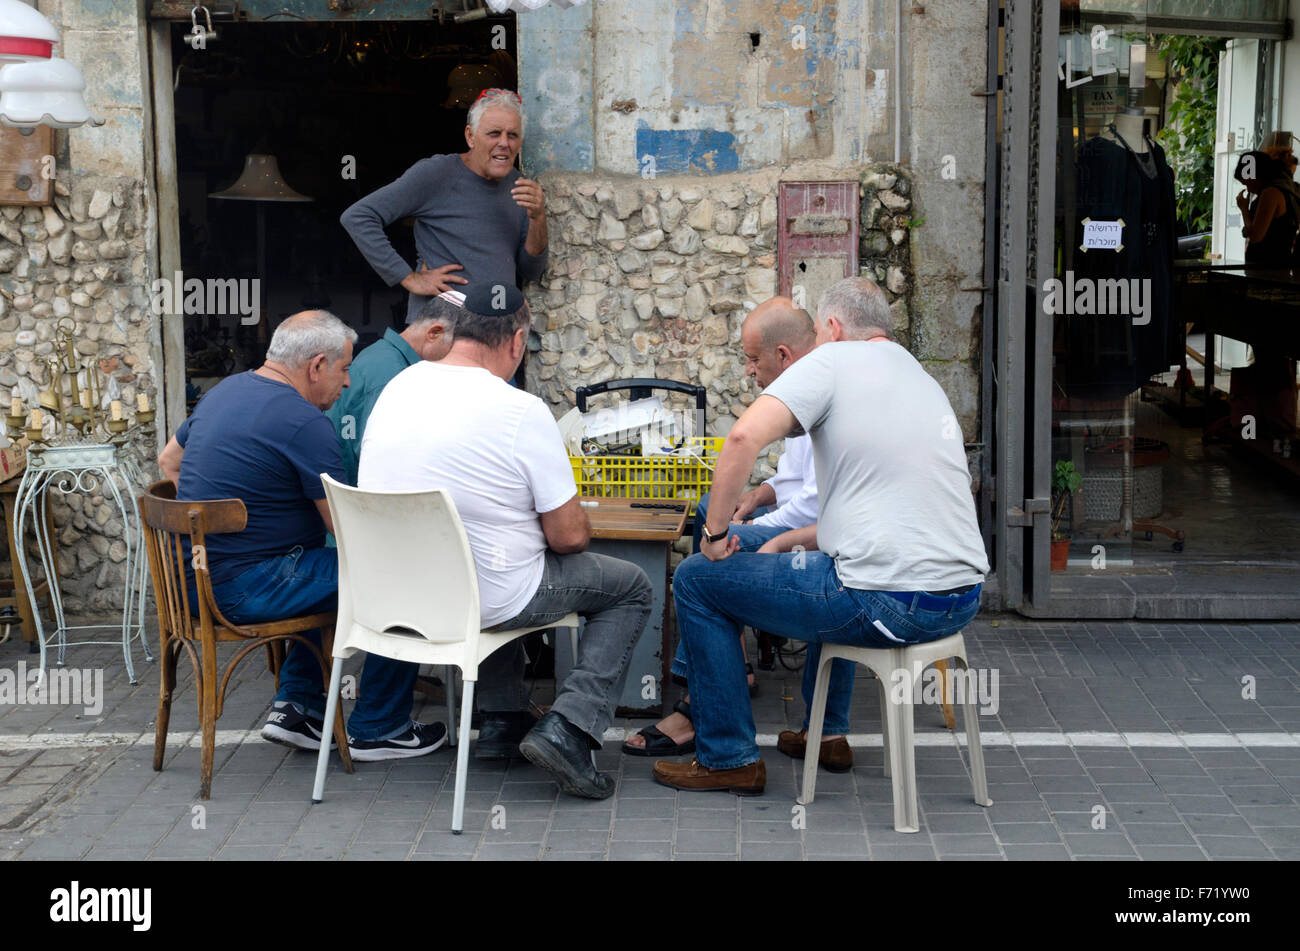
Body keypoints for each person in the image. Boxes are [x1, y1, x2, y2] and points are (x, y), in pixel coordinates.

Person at [652, 278, 990, 795]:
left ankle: (727, 758)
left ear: (833, 328)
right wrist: (789, 540)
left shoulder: (832, 361)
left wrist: (716, 534)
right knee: (829, 564)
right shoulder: (919, 374)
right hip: (959, 601)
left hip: (883, 603)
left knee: (698, 578)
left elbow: (742, 436)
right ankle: (825, 732)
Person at [358, 281, 652, 799]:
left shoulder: (397, 387)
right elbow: (568, 539)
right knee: (629, 587)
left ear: (455, 331)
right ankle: (572, 727)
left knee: (496, 551)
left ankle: (500, 722)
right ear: (516, 342)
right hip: (485, 598)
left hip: (396, 598)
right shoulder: (520, 410)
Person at [157, 311, 447, 762]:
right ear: (316, 366)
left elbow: (168, 462)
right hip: (244, 590)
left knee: (321, 570)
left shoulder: (223, 392)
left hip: (189, 586)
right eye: (345, 368)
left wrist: (213, 520)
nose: (347, 383)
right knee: (401, 577)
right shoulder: (304, 421)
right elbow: (346, 529)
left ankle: (299, 710)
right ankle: (380, 727)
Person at [623, 296, 852, 761]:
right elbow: (792, 479)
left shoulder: (822, 388)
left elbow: (813, 501)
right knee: (715, 507)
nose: (749, 371)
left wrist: (749, 527)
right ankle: (739, 669)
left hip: (825, 536)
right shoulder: (814, 383)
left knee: (703, 565)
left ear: (783, 355)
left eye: (752, 359)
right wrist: (754, 498)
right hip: (836, 537)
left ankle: (696, 703)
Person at [340, 88, 548, 323]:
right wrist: (408, 278)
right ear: (470, 136)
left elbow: (531, 271)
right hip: (441, 331)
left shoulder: (520, 187)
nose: (504, 143)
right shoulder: (437, 173)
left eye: (512, 135)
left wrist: (538, 218)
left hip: (496, 334)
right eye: (494, 133)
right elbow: (358, 216)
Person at [325, 293, 460, 485]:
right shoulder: (390, 373)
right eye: (457, 348)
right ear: (434, 333)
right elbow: (381, 462)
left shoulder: (383, 355)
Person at [1234, 150, 1300, 266]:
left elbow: (1255, 236)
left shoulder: (1270, 193)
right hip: (1275, 269)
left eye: (1248, 183)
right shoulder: (1287, 189)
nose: (1249, 189)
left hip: (1268, 270)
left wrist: (1244, 210)